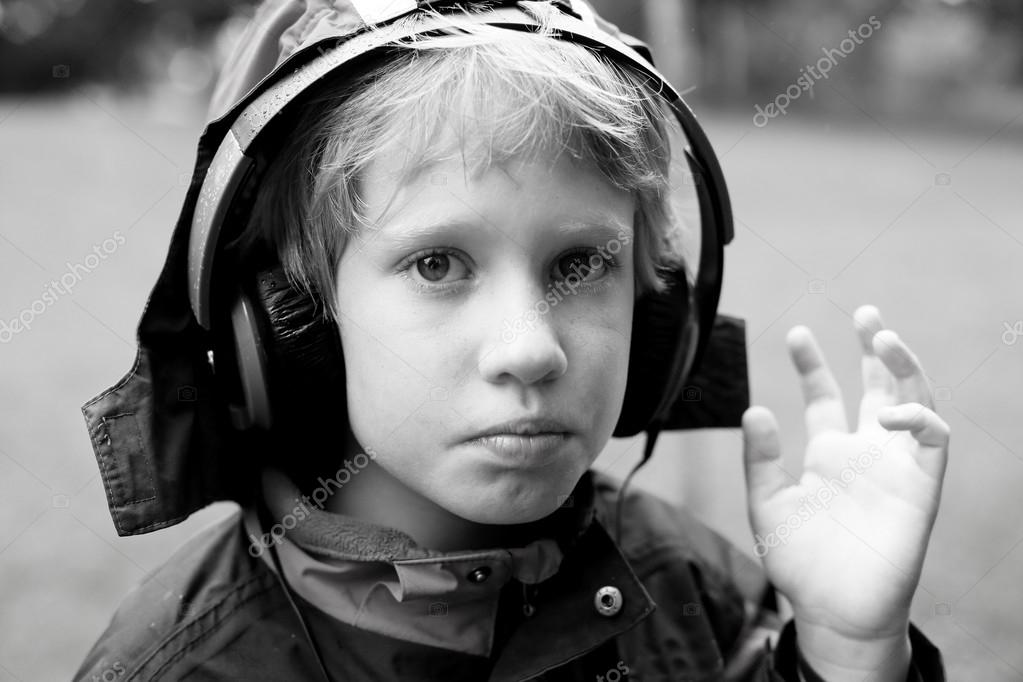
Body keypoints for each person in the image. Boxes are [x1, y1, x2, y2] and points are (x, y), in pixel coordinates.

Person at [75, 1, 949, 680]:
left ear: (657, 321)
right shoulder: (177, 664)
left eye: (577, 265)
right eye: (437, 264)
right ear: (283, 325)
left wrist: (845, 655)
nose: (530, 352)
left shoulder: (694, 588)